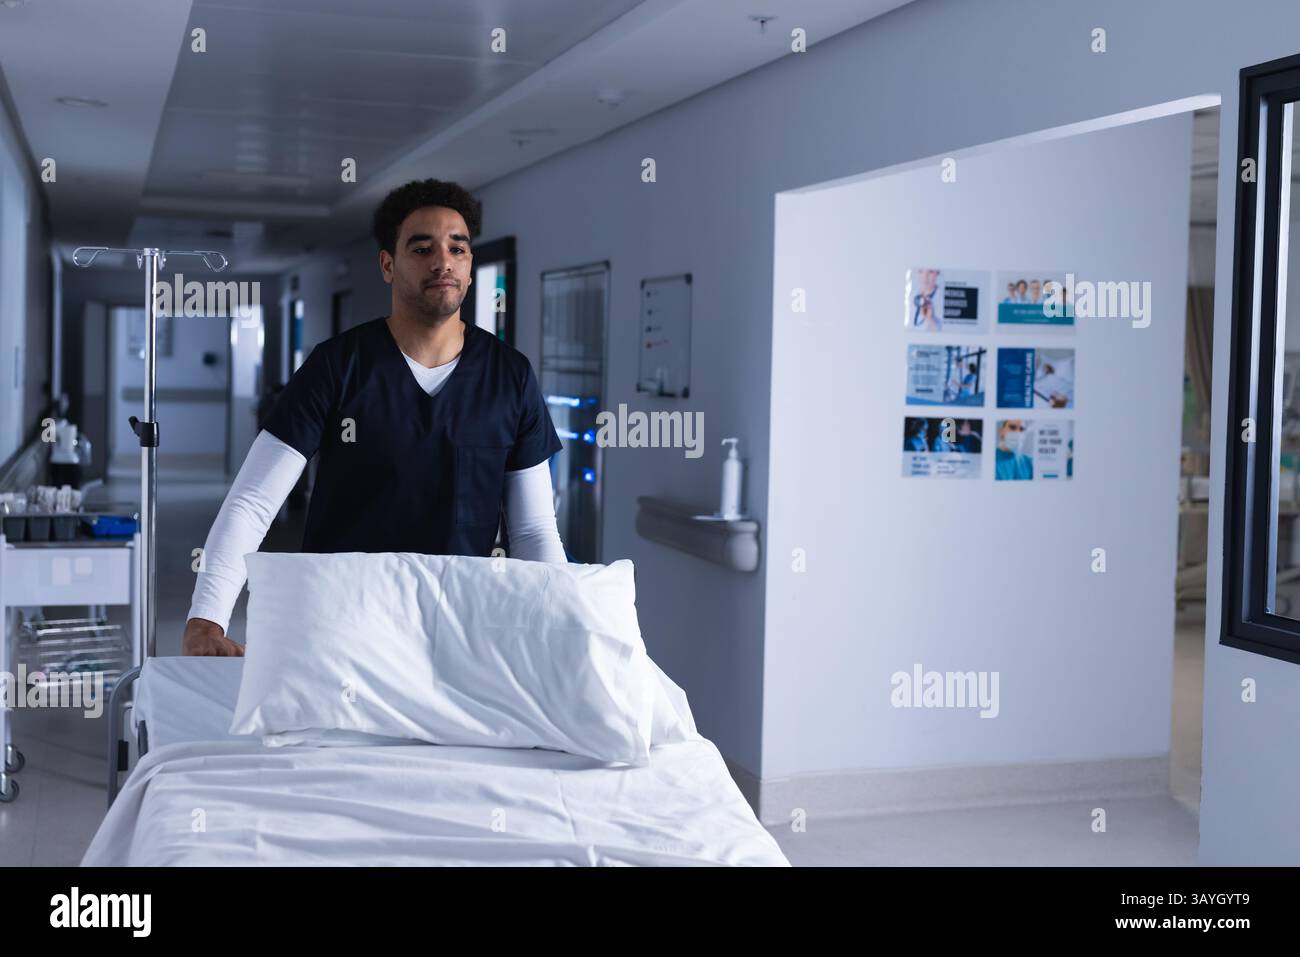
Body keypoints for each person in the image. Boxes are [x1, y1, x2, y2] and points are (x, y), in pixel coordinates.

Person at [182, 178, 566, 656]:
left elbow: (532, 531)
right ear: (388, 265)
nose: (442, 261)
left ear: (469, 267)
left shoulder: (509, 377)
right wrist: (207, 618)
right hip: (339, 624)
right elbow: (254, 503)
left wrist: (561, 619)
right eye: (422, 248)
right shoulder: (338, 366)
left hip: (460, 629)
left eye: (457, 248)